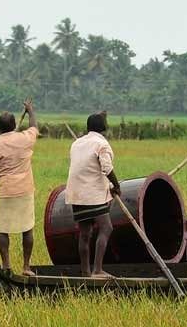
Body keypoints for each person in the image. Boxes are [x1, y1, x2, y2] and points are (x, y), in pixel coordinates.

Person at [0, 100, 39, 276]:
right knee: (27, 228)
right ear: (14, 125)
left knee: (3, 229)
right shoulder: (25, 138)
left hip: (6, 191)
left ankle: (6, 264)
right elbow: (34, 128)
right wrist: (30, 111)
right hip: (25, 190)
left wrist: (1, 166)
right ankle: (26, 266)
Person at [65, 111, 121, 278]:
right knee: (106, 227)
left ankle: (85, 271)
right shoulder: (102, 144)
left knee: (85, 234)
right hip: (93, 194)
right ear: (103, 127)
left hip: (76, 194)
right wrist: (116, 185)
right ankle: (97, 269)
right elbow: (107, 168)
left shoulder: (77, 143)